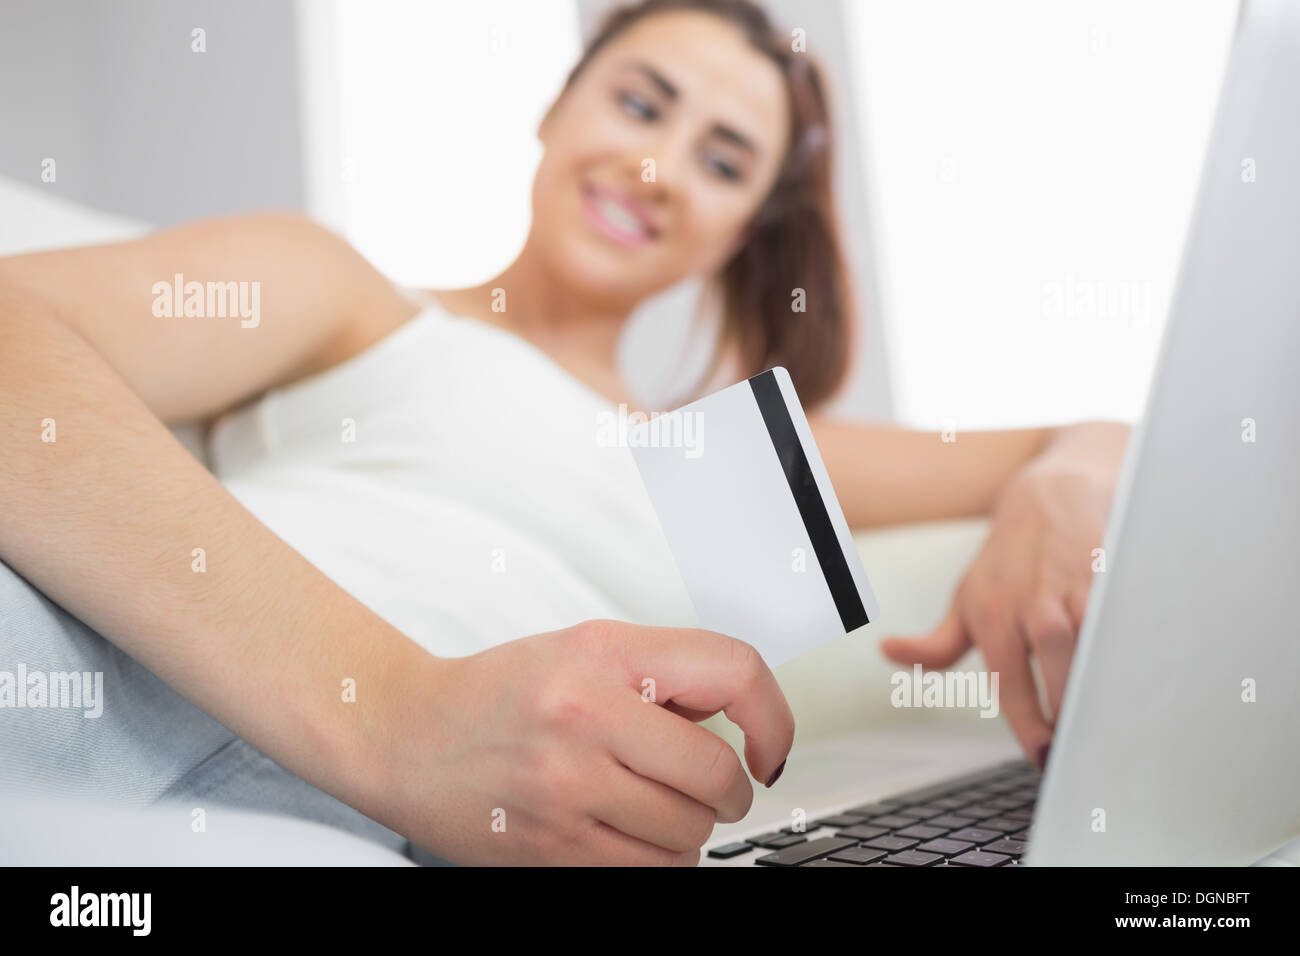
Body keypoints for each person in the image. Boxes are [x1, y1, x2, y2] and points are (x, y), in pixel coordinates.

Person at [0, 0, 1126, 865]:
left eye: (723, 159)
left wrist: (1062, 489)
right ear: (558, 108)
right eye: (640, 104)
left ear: (743, 230)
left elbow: (1093, 435)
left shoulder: (723, 462)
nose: (657, 166)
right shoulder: (353, 298)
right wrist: (396, 713)